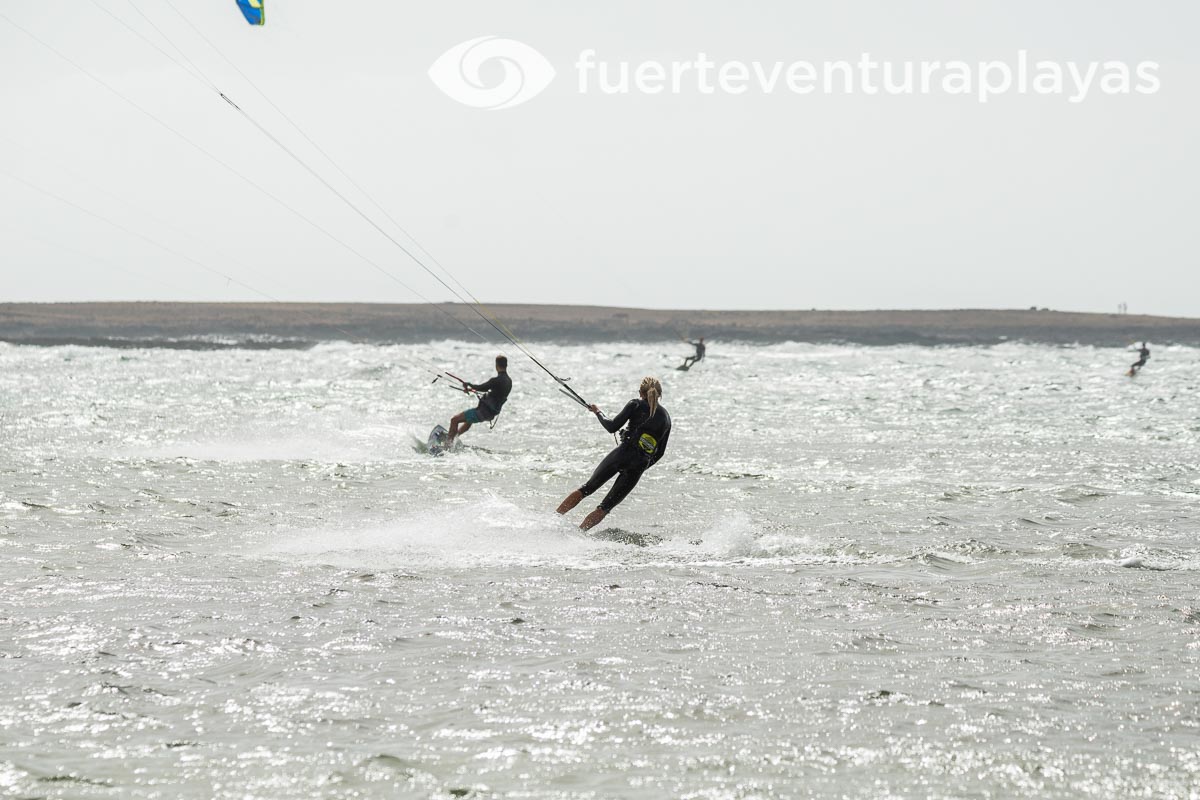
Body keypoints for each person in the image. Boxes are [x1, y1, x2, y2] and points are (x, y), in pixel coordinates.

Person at [556, 376, 672, 531]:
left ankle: (554, 519)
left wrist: (598, 412)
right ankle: (579, 533)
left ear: (641, 392)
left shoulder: (635, 404)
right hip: (640, 464)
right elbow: (659, 453)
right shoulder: (666, 418)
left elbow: (611, 426)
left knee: (587, 489)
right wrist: (641, 465)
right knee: (605, 507)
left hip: (622, 454)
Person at [446, 355, 511, 444]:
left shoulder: (496, 380)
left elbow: (482, 387)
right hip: (491, 414)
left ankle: (447, 444)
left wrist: (469, 385)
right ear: (506, 365)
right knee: (469, 420)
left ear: (496, 365)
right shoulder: (509, 381)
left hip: (483, 412)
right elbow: (496, 393)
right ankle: (455, 436)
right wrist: (472, 389)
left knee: (454, 420)